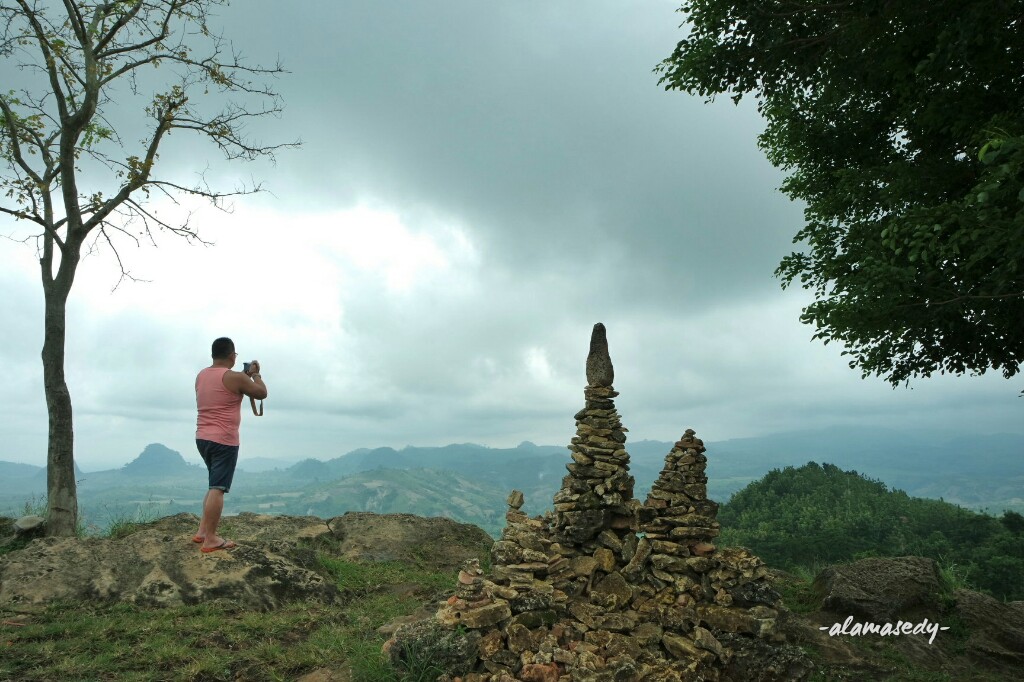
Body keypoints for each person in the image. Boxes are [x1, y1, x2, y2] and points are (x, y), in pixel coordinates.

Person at [193, 336, 268, 553]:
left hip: (202, 438)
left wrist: (243, 376)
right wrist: (255, 375)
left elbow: (223, 388)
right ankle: (211, 540)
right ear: (231, 355)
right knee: (218, 488)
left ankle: (202, 532)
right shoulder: (235, 378)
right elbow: (262, 392)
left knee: (212, 485)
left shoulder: (201, 375)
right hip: (223, 440)